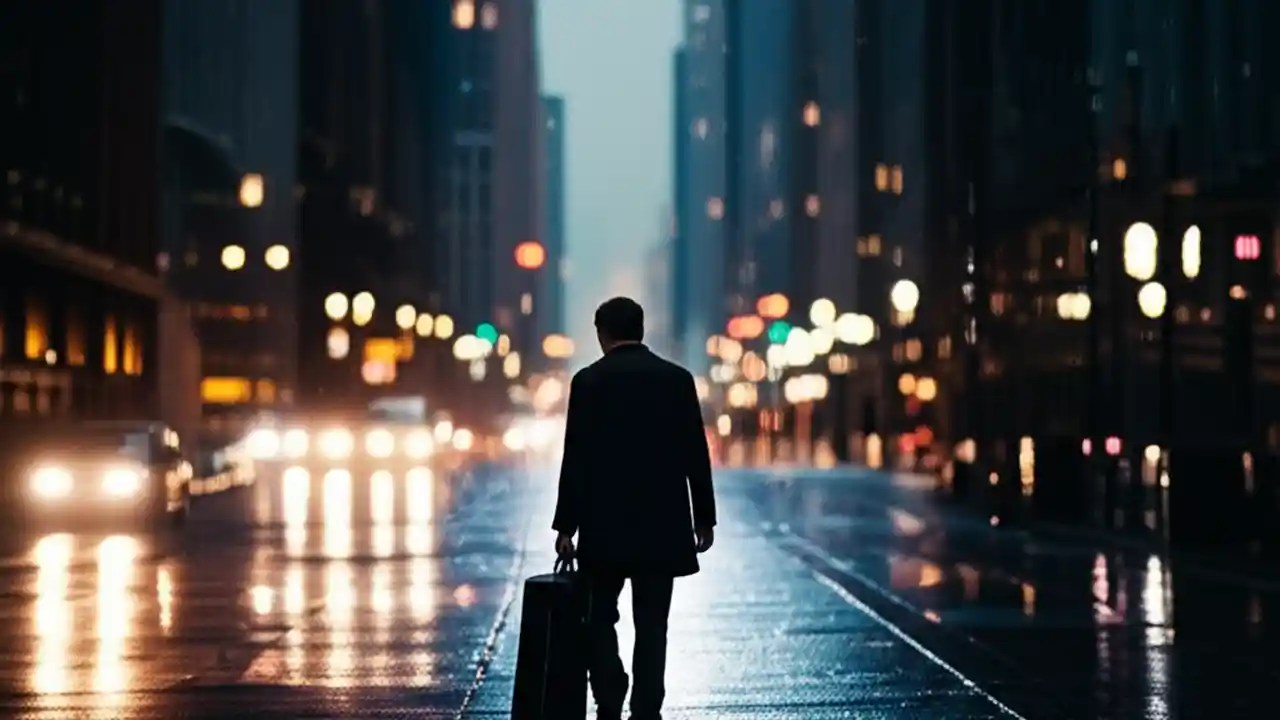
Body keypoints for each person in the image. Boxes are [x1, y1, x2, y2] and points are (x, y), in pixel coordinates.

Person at [553, 296, 716, 720]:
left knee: (599, 615)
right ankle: (647, 706)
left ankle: (609, 688)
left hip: (603, 524)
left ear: (601, 333)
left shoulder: (588, 382)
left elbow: (577, 458)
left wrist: (565, 526)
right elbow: (694, 453)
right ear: (641, 330)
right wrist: (704, 517)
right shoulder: (676, 380)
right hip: (662, 523)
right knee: (652, 622)